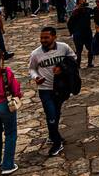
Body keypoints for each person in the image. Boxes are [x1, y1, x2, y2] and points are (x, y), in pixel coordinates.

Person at [29, 27, 78, 157]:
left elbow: (73, 59)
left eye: (46, 37)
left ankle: (53, 135)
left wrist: (62, 68)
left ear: (54, 37)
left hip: (60, 88)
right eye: (41, 38)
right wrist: (36, 77)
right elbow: (32, 69)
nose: (43, 40)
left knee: (56, 113)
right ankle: (57, 143)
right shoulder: (36, 54)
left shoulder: (64, 48)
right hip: (44, 89)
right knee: (50, 115)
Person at [67, 0, 94, 65]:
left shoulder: (88, 10)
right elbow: (69, 23)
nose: (82, 6)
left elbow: (95, 12)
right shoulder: (75, 12)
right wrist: (72, 32)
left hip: (87, 33)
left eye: (83, 3)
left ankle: (90, 63)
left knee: (90, 49)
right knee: (79, 50)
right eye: (80, 4)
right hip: (78, 34)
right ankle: (78, 64)